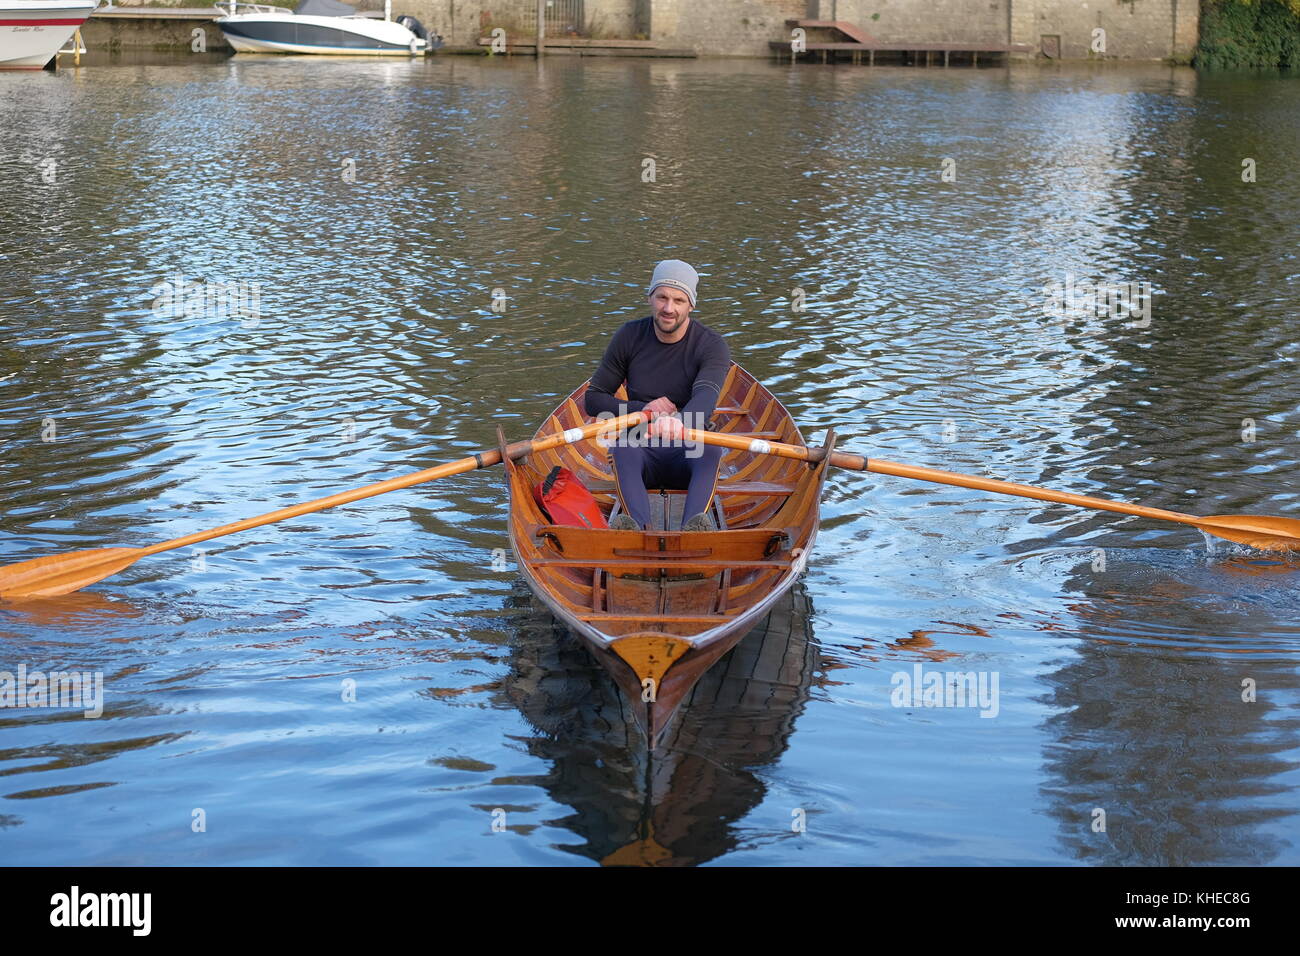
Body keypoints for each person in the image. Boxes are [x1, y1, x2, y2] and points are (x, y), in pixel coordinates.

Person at [583, 260, 730, 532]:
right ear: (650, 297)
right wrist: (645, 410)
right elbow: (593, 399)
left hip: (691, 446)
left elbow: (706, 396)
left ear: (691, 305)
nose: (668, 308)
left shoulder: (711, 345)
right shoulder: (629, 336)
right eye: (662, 297)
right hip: (640, 444)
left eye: (678, 300)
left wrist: (680, 422)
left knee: (711, 449)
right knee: (622, 445)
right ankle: (638, 529)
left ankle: (694, 530)